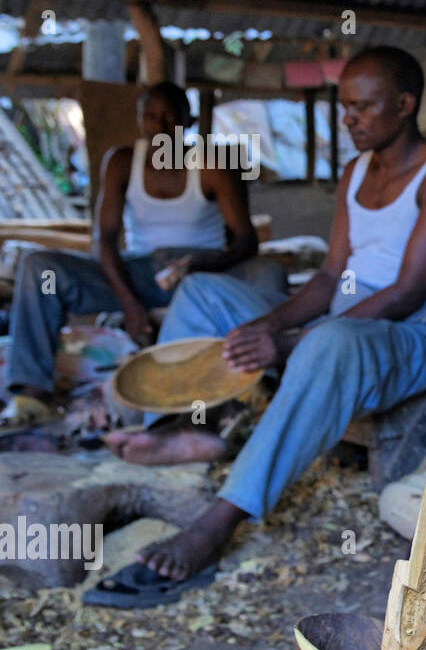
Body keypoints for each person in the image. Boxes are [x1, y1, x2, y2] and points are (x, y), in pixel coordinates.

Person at [93, 46, 426, 600]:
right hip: (348, 320)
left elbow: (410, 290)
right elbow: (326, 278)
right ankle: (187, 425)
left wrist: (297, 340)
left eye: (364, 107)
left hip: (420, 334)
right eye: (345, 106)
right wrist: (272, 328)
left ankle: (218, 521)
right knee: (203, 292)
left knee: (330, 341)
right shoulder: (353, 174)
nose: (350, 119)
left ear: (404, 105)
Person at [1, 82, 260, 432]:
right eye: (151, 116)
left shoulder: (212, 165)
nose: (161, 126)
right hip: (138, 272)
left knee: (258, 282)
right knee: (39, 267)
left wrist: (202, 264)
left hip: (197, 277)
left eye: (171, 117)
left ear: (190, 121)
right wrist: (129, 305)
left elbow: (246, 241)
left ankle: (219, 402)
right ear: (139, 120)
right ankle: (31, 395)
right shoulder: (122, 162)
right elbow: (104, 241)